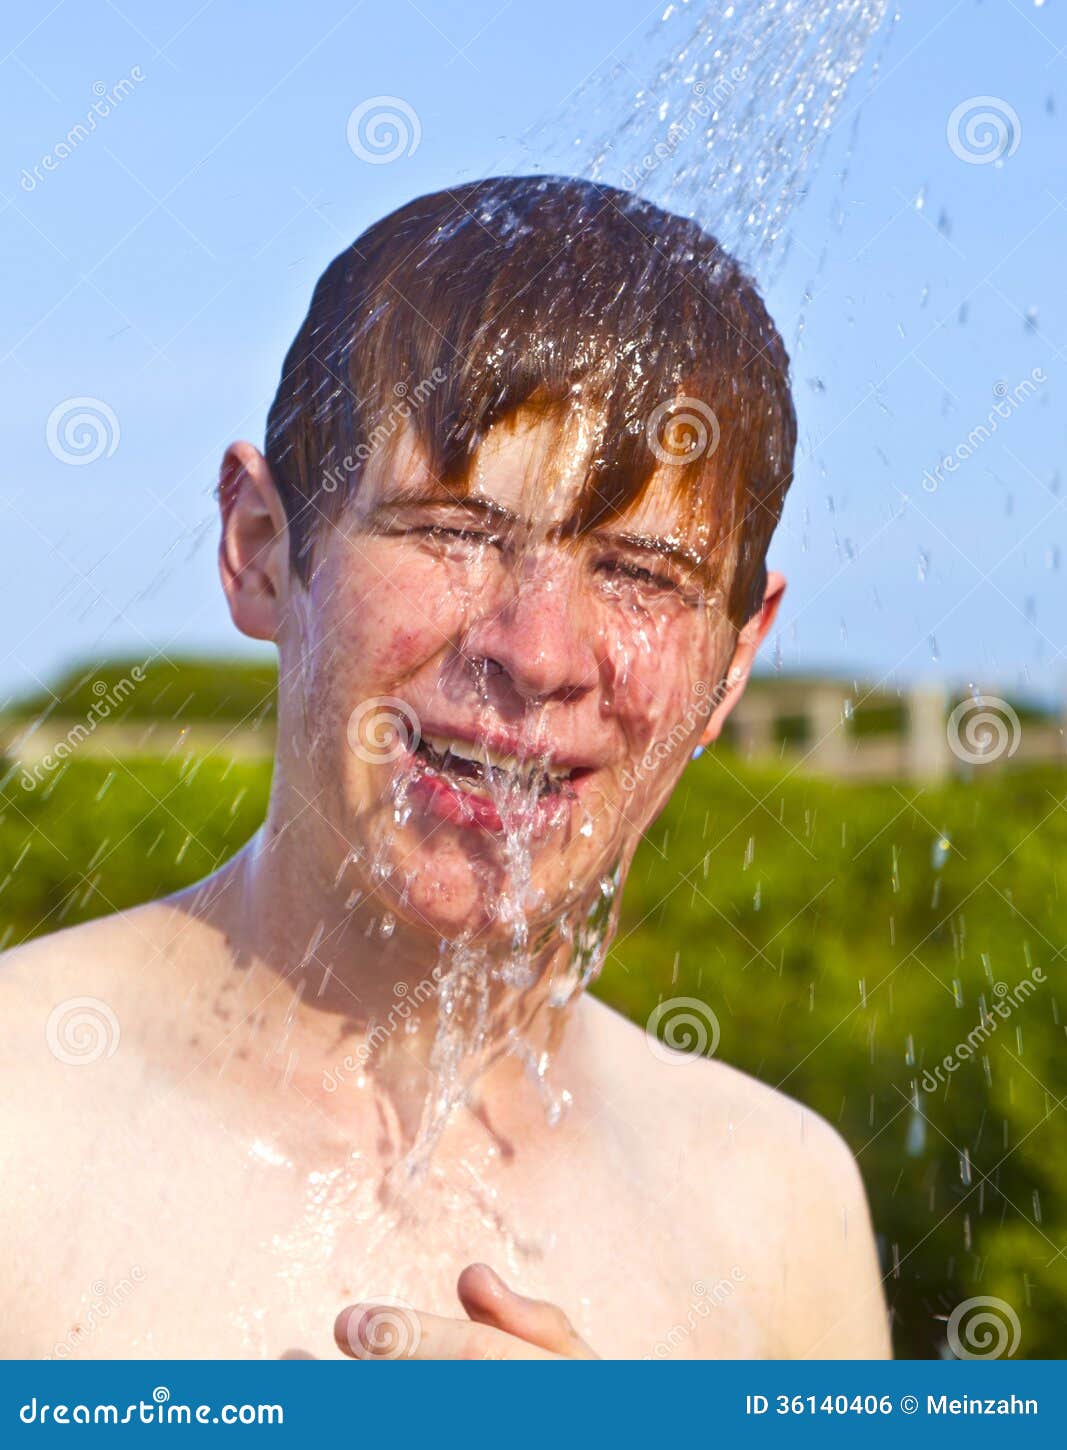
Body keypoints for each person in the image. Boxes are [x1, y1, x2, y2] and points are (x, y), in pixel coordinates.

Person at [0, 177, 890, 1360]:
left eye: (640, 572)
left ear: (733, 660)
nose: (537, 653)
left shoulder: (773, 1206)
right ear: (261, 548)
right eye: (454, 532)